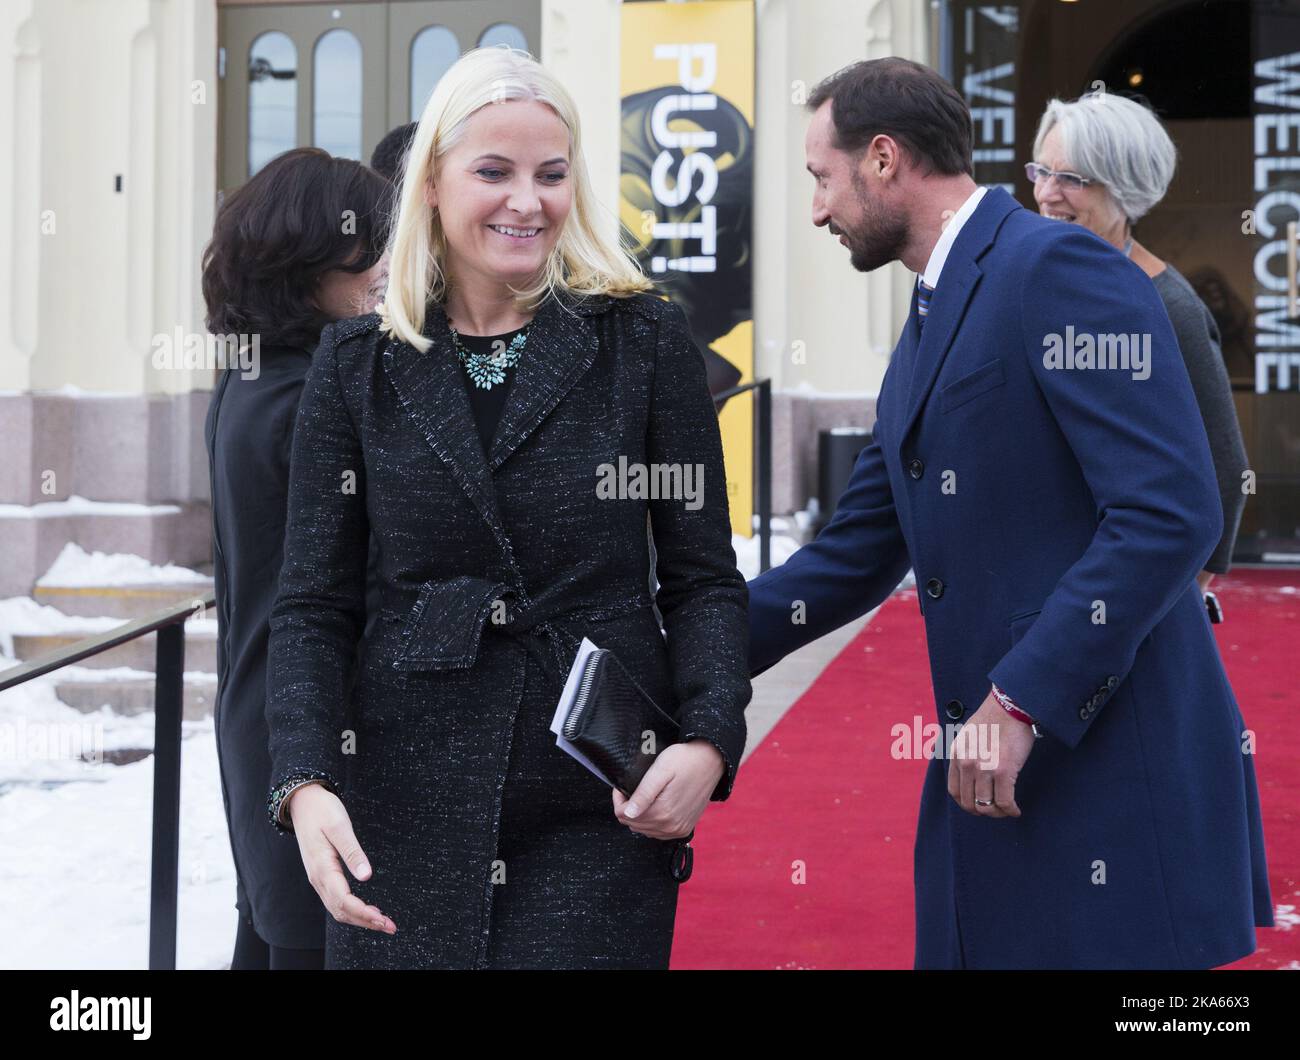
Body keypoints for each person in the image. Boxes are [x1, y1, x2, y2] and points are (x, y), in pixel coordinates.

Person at [747, 58, 1272, 969]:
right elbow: (854, 553)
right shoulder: (930, 314)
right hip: (998, 782)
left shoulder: (1055, 265)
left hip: (1103, 768)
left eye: (821, 178)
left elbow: (1170, 511)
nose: (819, 210)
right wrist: (681, 640)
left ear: (883, 159)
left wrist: (1022, 697)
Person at [264, 45, 750, 970]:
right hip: (400, 799)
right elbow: (313, 606)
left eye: (551, 175)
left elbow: (702, 580)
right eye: (494, 172)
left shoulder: (644, 341)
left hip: (597, 799)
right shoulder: (356, 364)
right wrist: (305, 779)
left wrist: (709, 740)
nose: (527, 201)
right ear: (432, 184)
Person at [202, 147, 389, 969]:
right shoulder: (310, 393)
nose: (384, 269)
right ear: (309, 258)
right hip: (309, 732)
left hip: (265, 714)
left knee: (275, 939)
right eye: (369, 248)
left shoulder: (254, 378)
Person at [1028, 91, 1249, 591]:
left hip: (1115, 589)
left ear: (1125, 188)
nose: (1047, 193)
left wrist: (1178, 599)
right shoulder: (1036, 282)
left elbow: (1227, 473)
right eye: (1041, 171)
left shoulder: (1170, 307)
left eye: (1072, 179)